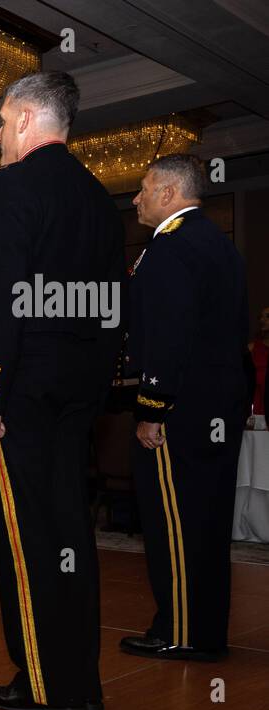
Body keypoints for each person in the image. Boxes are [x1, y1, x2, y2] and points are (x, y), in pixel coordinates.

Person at [0, 71, 124, 710]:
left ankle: (42, 683)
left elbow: (0, 299)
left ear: (28, 119)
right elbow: (112, 307)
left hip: (20, 395)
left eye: (3, 121)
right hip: (77, 397)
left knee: (26, 541)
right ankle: (79, 681)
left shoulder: (12, 187)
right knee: (67, 535)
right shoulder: (99, 200)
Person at [122, 153, 248, 662]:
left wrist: (152, 407)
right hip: (218, 407)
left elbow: (167, 336)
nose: (136, 198)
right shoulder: (220, 244)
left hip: (183, 410)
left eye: (145, 189)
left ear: (171, 194)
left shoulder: (170, 248)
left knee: (174, 522)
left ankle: (181, 631)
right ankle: (206, 629)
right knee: (208, 521)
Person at [250, 306, 268, 415]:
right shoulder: (252, 349)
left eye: (268, 316)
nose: (262, 320)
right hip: (257, 410)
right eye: (261, 317)